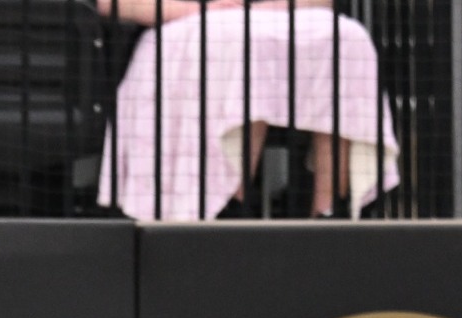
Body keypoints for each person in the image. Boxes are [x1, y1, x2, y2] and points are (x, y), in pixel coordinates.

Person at [97, 0, 397, 220]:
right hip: (183, 30)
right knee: (237, 45)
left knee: (345, 37)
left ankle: (332, 212)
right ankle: (225, 208)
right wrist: (206, 12)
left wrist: (251, 12)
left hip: (273, 27)